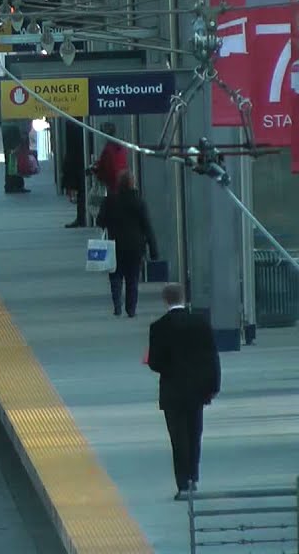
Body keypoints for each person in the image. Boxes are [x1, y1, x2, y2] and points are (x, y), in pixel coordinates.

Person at [148, 283, 220, 500]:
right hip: (197, 391)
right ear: (184, 297)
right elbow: (212, 357)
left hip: (172, 391)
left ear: (165, 300)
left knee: (178, 439)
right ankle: (193, 477)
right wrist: (214, 386)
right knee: (194, 434)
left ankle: (183, 484)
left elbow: (154, 363)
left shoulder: (158, 327)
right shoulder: (201, 323)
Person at [96, 170, 158, 318]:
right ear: (133, 184)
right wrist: (153, 250)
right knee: (133, 279)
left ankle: (117, 305)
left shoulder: (110, 200)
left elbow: (100, 221)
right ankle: (131, 309)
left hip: (114, 244)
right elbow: (147, 227)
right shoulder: (139, 202)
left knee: (115, 276)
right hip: (135, 246)